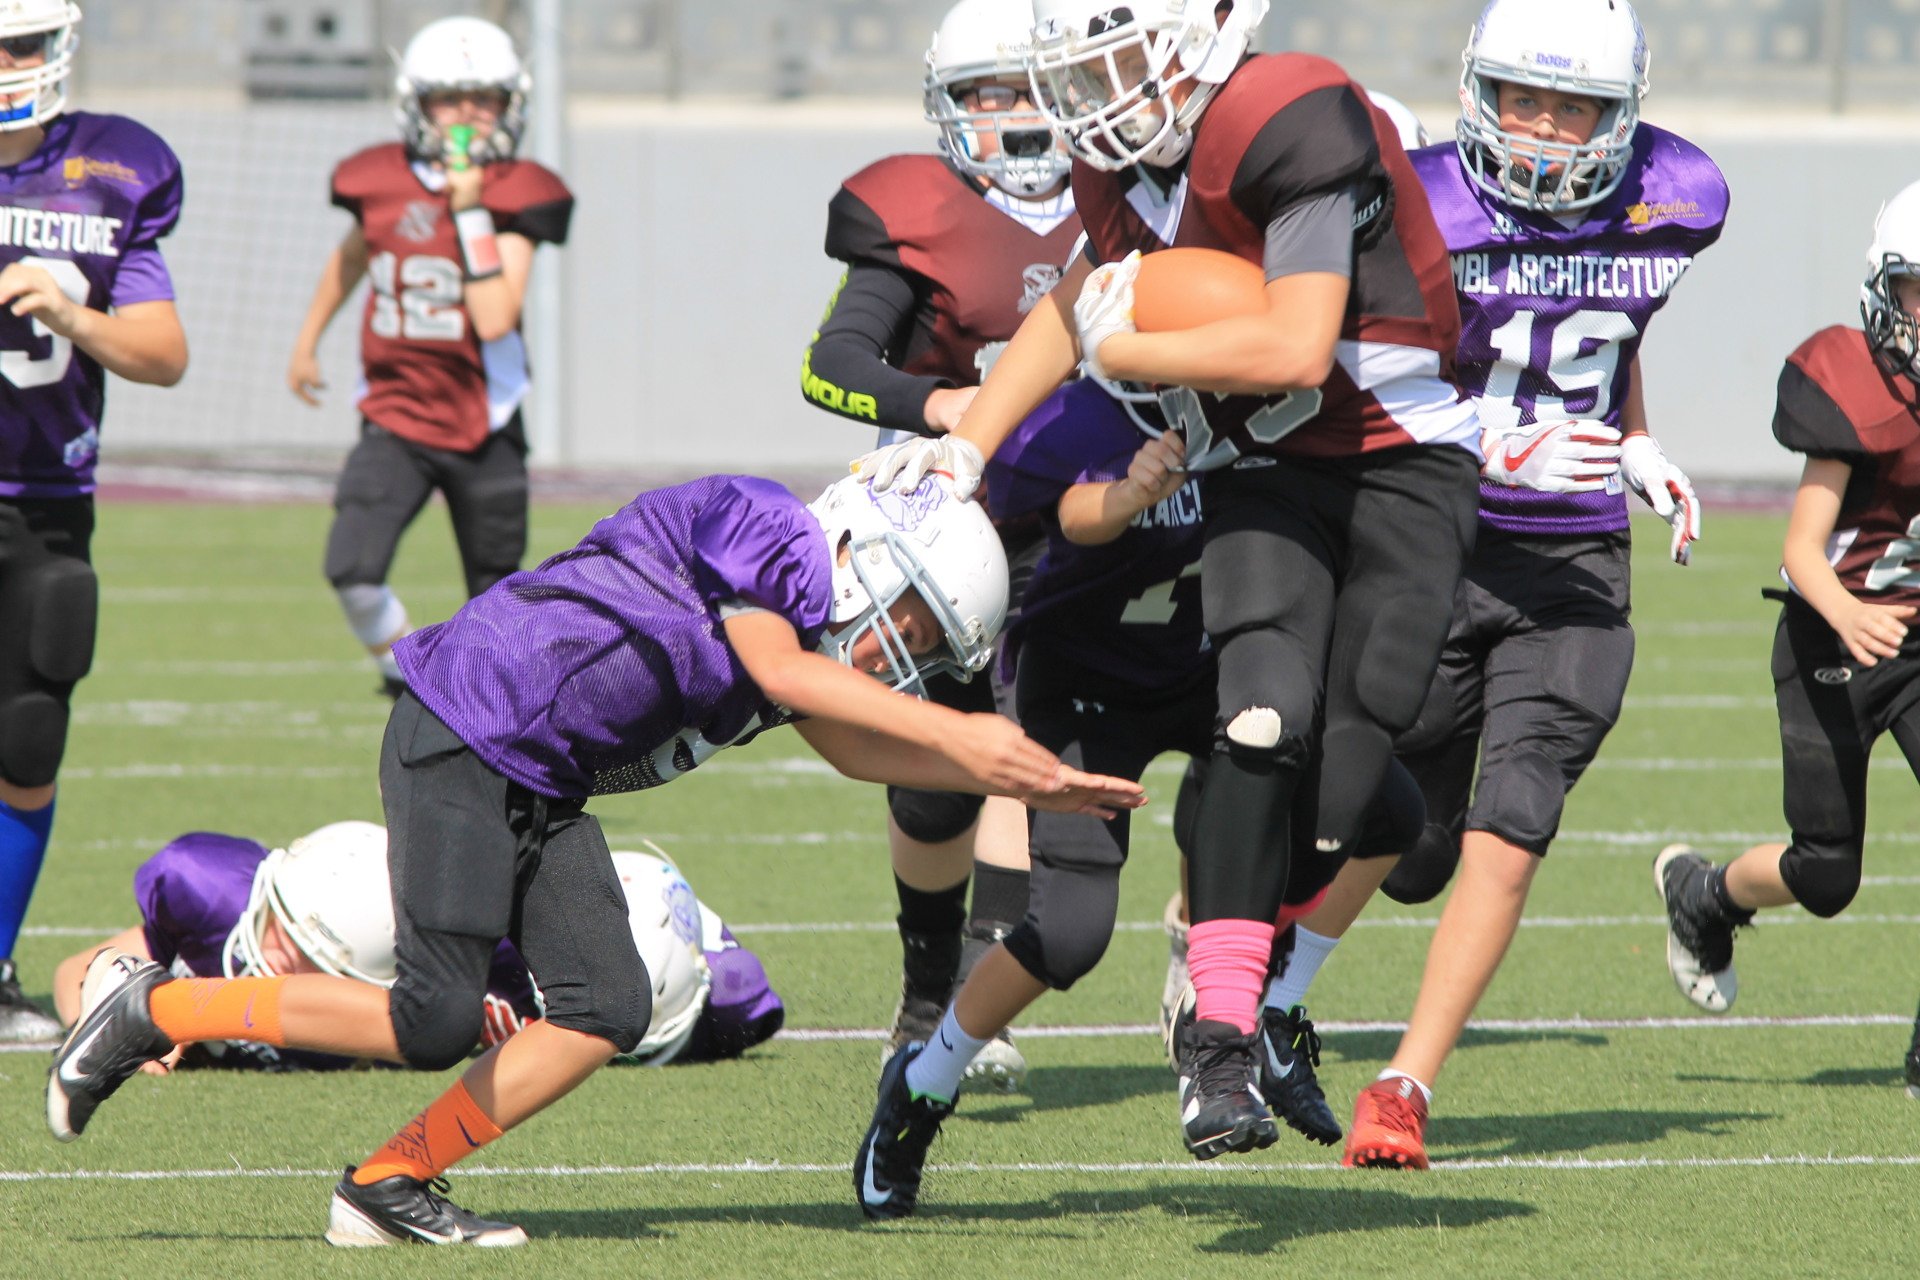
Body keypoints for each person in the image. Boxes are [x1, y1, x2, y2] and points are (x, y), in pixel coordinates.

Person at [47, 471, 1143, 1249]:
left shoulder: (802, 639)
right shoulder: (764, 523)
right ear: (863, 547)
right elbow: (794, 676)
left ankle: (389, 1181)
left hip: (536, 774)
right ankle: (157, 1011)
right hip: (465, 729)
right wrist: (973, 739)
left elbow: (855, 742)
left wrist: (1017, 778)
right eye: (908, 612)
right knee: (434, 1014)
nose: (899, 643)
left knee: (603, 1002)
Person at [858, 0, 1481, 1159]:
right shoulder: (1123, 179)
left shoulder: (1280, 112)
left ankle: (1272, 994)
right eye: (1081, 72)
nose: (1100, 96)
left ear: (1208, 28)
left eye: (1120, 56)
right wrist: (969, 445)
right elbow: (1078, 299)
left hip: (1399, 462)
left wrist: (1127, 348)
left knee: (1349, 787)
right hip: (1258, 473)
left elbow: (1295, 345)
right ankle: (1220, 1042)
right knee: (1257, 717)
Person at [1291, 0, 1723, 1170]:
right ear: (1478, 90)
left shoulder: (1674, 201)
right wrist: (1487, 434)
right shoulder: (1419, 197)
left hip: (1574, 558)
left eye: (1568, 105)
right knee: (1408, 842)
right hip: (1438, 530)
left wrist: (1631, 443)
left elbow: (1605, 338)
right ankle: (1267, 970)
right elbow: (1342, 378)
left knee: (1519, 814)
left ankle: (1404, 1085)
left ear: (1619, 116)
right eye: (1520, 97)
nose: (1537, 128)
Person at [854, 380, 1427, 1218]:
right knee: (1073, 930)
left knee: (1386, 810)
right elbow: (1061, 510)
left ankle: (1263, 1011)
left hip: (1210, 662)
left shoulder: (1267, 394)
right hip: (1085, 681)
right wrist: (1128, 494)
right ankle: (923, 1083)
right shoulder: (1064, 411)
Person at [805, 0, 1082, 1092]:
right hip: (944, 534)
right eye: (984, 93)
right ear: (945, 106)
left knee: (1029, 734)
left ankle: (977, 994)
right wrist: (943, 410)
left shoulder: (1121, 199)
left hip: (1086, 515)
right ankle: (927, 988)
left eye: (1028, 88)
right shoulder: (918, 210)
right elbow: (831, 362)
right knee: (936, 787)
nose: (1011, 115)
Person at [1656, 182, 1920, 1039]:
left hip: (1914, 646)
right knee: (1827, 875)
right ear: (1887, 292)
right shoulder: (1858, 385)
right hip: (1830, 644)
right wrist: (1848, 614)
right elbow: (1803, 549)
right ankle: (1705, 896)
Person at [0, 0, 188, 1041]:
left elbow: (162, 352)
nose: (2, 63)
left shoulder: (118, 168)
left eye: (18, 40)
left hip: (47, 501)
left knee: (29, 734)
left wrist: (74, 313)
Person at [286, 16, 572, 697]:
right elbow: (354, 254)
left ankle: (504, 740)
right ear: (415, 101)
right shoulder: (376, 178)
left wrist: (471, 213)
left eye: (486, 99)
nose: (468, 115)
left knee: (499, 601)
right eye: (449, 97)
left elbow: (496, 317)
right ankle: (406, 676)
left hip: (485, 421)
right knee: (351, 567)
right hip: (396, 414)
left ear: (513, 103)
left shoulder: (519, 189)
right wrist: (307, 341)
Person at [51, 828, 781, 1071]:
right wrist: (118, 1018)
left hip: (652, 949)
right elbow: (75, 971)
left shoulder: (493, 968)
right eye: (279, 929)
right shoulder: (209, 893)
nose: (275, 961)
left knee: (642, 1003)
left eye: (305, 960)